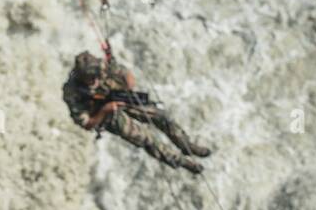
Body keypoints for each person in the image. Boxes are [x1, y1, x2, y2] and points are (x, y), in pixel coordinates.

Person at [63, 51, 212, 173]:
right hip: (107, 114)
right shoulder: (73, 93)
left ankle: (186, 145)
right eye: (91, 79)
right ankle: (181, 161)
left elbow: (129, 80)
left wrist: (125, 80)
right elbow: (87, 124)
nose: (95, 79)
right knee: (146, 138)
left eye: (96, 76)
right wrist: (104, 110)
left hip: (119, 96)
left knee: (162, 116)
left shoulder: (101, 66)